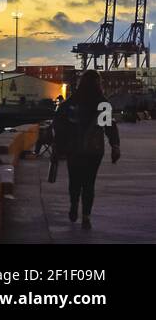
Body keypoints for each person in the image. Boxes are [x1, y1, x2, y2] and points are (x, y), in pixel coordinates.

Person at [53, 70, 121, 230]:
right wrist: (115, 146)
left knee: (74, 180)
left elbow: (59, 125)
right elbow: (110, 126)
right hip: (94, 149)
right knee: (89, 183)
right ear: (99, 84)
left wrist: (58, 145)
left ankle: (74, 204)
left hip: (74, 148)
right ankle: (86, 217)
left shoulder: (70, 102)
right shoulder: (103, 103)